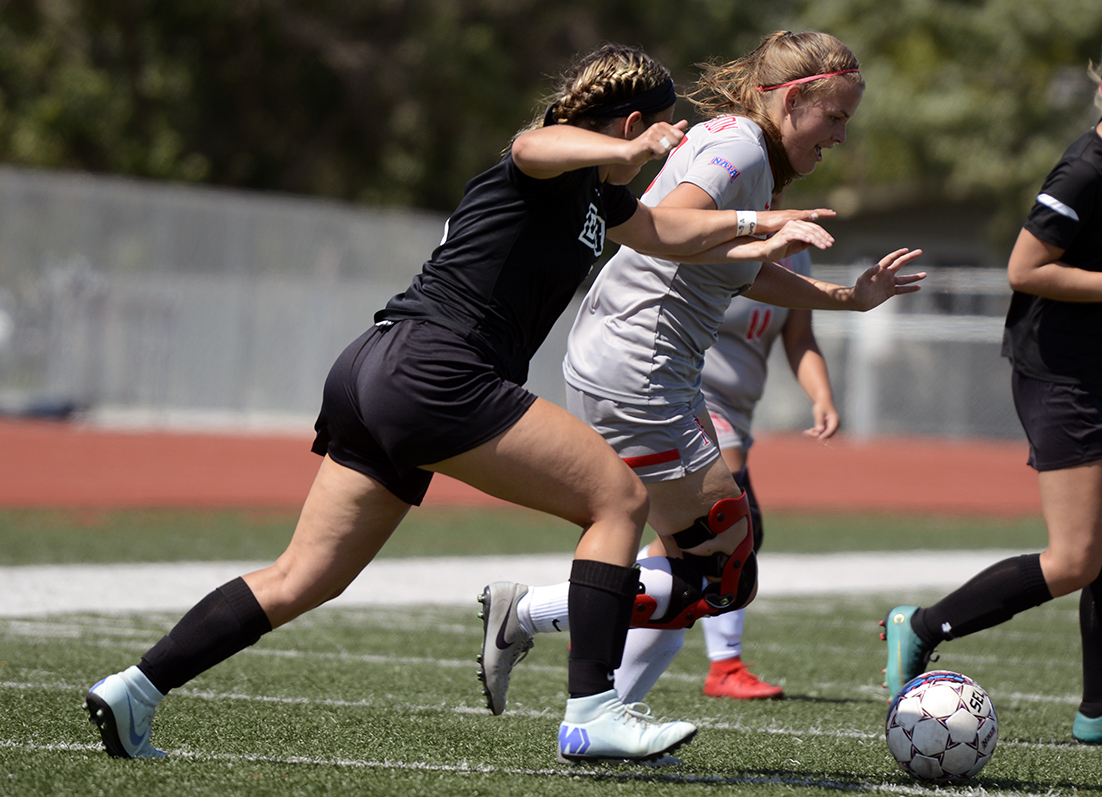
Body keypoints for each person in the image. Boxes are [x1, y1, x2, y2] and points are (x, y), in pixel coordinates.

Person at [83, 43, 839, 766]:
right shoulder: (550, 157)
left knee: (303, 577)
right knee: (618, 498)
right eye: (659, 127)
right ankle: (591, 713)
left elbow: (666, 232)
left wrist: (760, 226)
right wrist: (622, 153)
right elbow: (531, 146)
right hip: (435, 367)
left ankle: (134, 687)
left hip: (380, 369)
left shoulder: (598, 193)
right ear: (633, 124)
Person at [478, 29, 923, 714]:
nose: (839, 135)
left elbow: (739, 270)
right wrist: (760, 221)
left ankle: (602, 708)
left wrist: (844, 297)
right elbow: (665, 226)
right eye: (833, 116)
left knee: (704, 563)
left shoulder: (753, 151)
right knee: (723, 564)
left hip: (640, 360)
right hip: (639, 364)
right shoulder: (743, 147)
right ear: (795, 99)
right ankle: (534, 621)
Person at [881, 21, 1102, 749]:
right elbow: (1025, 268)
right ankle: (920, 625)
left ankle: (1101, 710)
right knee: (1074, 558)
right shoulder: (1082, 170)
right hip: (1057, 369)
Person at [699, 246, 837, 699]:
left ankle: (596, 609)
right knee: (735, 522)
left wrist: (821, 396)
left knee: (692, 535)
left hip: (738, 411)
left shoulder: (796, 253)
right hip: (691, 394)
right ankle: (724, 665)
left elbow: (799, 336)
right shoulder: (720, 232)